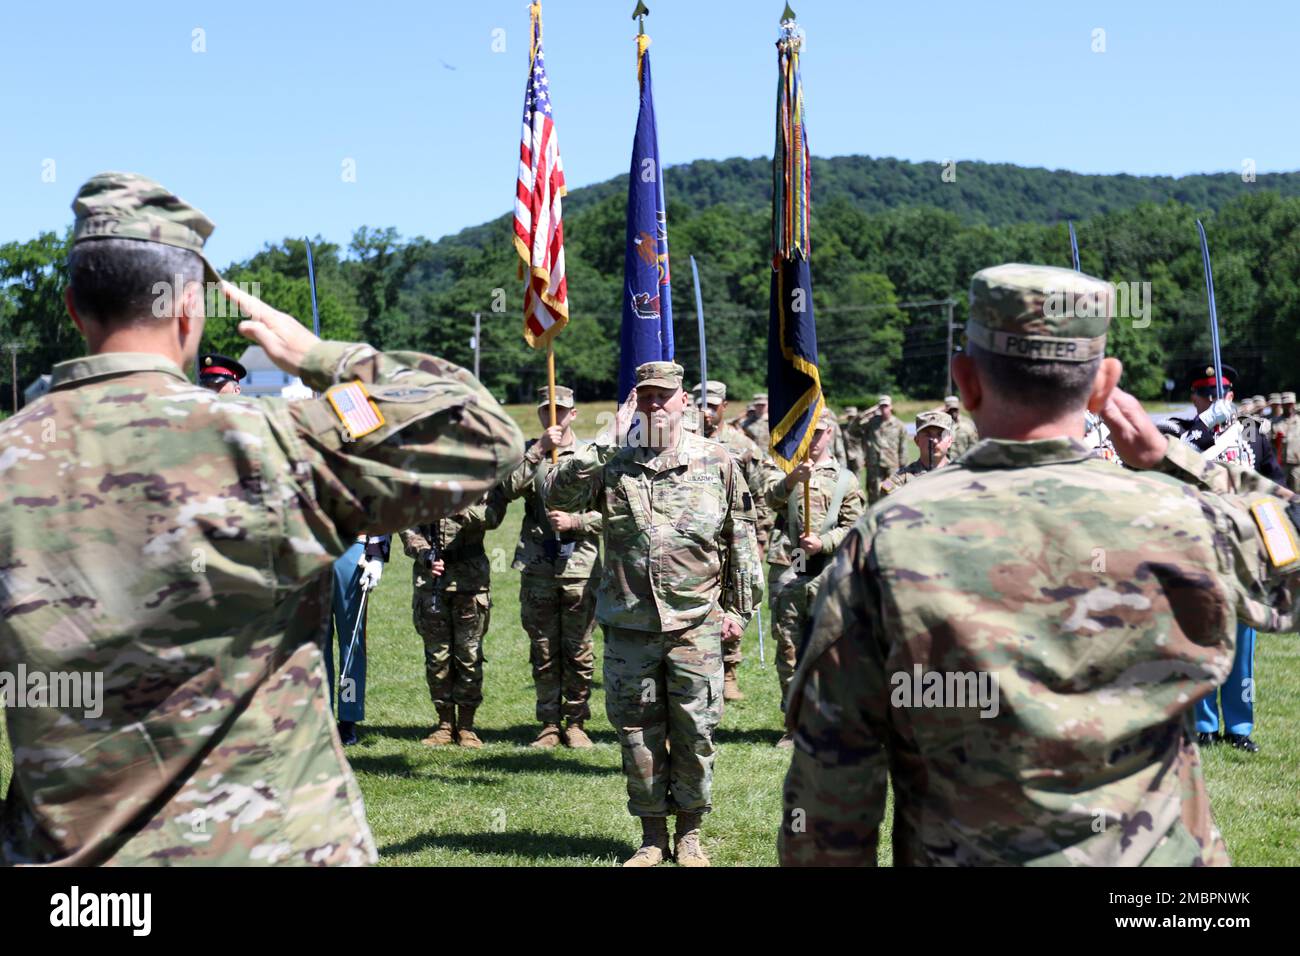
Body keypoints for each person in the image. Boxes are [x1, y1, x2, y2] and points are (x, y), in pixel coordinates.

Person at [0, 171, 524, 866]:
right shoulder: (267, 439)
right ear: (189, 309)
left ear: (72, 307)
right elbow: (482, 432)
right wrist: (319, 356)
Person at [780, 263, 1299, 867]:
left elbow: (834, 787)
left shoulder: (889, 536)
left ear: (965, 381)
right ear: (1105, 385)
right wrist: (1177, 462)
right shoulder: (1180, 516)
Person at [546, 361, 762, 867]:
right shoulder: (613, 462)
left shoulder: (716, 460)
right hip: (630, 626)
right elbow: (556, 492)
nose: (654, 405)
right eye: (644, 396)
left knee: (696, 732)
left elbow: (741, 537)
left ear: (684, 401)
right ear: (632, 404)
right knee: (637, 733)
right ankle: (651, 837)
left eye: (664, 396)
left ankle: (690, 834)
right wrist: (605, 441)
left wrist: (739, 609)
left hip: (697, 624)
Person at [1165, 363, 1285, 754]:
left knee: (1243, 640)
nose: (1218, 400)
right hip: (1199, 543)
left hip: (1244, 546)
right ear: (1194, 398)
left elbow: (1274, 480)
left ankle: (1239, 725)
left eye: (1224, 393)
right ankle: (1203, 723)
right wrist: (1203, 426)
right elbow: (1169, 464)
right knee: (1202, 634)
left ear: (1233, 394)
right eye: (1206, 394)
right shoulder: (1181, 431)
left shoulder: (1253, 433)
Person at [495, 386, 602, 749]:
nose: (553, 416)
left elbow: (615, 511)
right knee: (543, 648)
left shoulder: (591, 455)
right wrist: (538, 450)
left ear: (574, 414)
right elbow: (506, 490)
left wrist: (577, 522)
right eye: (546, 410)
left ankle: (576, 723)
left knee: (579, 649)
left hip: (580, 567)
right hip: (539, 565)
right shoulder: (529, 452)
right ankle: (548, 723)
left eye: (561, 410)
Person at [758, 409, 865, 745]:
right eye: (807, 433)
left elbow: (855, 528)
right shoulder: (782, 468)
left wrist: (824, 542)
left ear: (830, 433)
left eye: (818, 432)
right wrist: (793, 479)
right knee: (789, 648)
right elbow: (768, 499)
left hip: (829, 571)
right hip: (789, 568)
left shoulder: (845, 478)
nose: (813, 439)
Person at [399, 491, 506, 749]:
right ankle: (445, 724)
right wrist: (425, 554)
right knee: (437, 657)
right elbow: (406, 525)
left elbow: (492, 517)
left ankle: (467, 726)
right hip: (432, 582)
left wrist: (458, 508)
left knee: (469, 656)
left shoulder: (482, 480)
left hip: (471, 582)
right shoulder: (421, 483)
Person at [696, 380, 762, 701]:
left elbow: (759, 492)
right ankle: (704, 667)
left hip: (732, 534)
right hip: (697, 537)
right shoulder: (686, 441)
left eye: (712, 405)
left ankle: (731, 669)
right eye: (700, 404)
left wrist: (757, 537)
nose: (705, 411)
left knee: (734, 597)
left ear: (724, 407)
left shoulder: (741, 444)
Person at [324, 534, 389, 746]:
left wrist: (377, 554)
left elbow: (379, 504)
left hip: (353, 547)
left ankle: (348, 717)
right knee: (314, 646)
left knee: (351, 643)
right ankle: (319, 717)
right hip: (311, 546)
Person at [877, 410, 954, 496]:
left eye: (940, 434)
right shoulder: (900, 480)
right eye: (928, 434)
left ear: (950, 441)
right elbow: (886, 489)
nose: (934, 440)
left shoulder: (962, 475)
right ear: (917, 440)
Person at [863, 394, 908, 503]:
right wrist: (870, 411)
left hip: (891, 466)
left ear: (891, 407)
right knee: (874, 493)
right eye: (882, 406)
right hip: (875, 466)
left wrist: (904, 466)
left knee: (891, 491)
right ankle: (874, 516)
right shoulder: (872, 423)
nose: (884, 409)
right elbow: (855, 426)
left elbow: (903, 447)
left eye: (886, 406)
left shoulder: (899, 425)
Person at [944, 395, 979, 459]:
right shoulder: (941, 424)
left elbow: (974, 445)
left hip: (963, 463)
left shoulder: (968, 424)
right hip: (945, 464)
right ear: (946, 409)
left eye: (955, 409)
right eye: (950, 409)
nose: (953, 412)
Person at [1278, 391, 1299, 493]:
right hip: (1280, 465)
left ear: (1294, 404)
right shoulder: (1274, 423)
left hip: (1297, 466)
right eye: (1286, 404)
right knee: (1281, 494)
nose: (1289, 406)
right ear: (1282, 405)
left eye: (1290, 404)